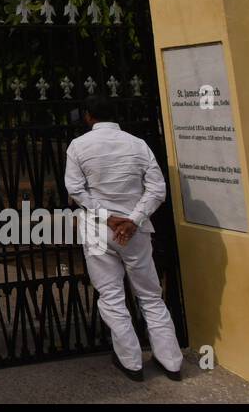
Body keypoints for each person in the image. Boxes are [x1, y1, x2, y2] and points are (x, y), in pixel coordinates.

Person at [64, 95, 183, 382]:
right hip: (135, 231)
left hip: (97, 229)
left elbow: (76, 189)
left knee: (112, 296)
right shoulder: (137, 144)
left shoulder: (79, 146)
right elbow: (157, 188)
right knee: (150, 295)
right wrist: (133, 219)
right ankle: (171, 362)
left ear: (89, 117)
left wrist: (107, 216)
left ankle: (131, 362)